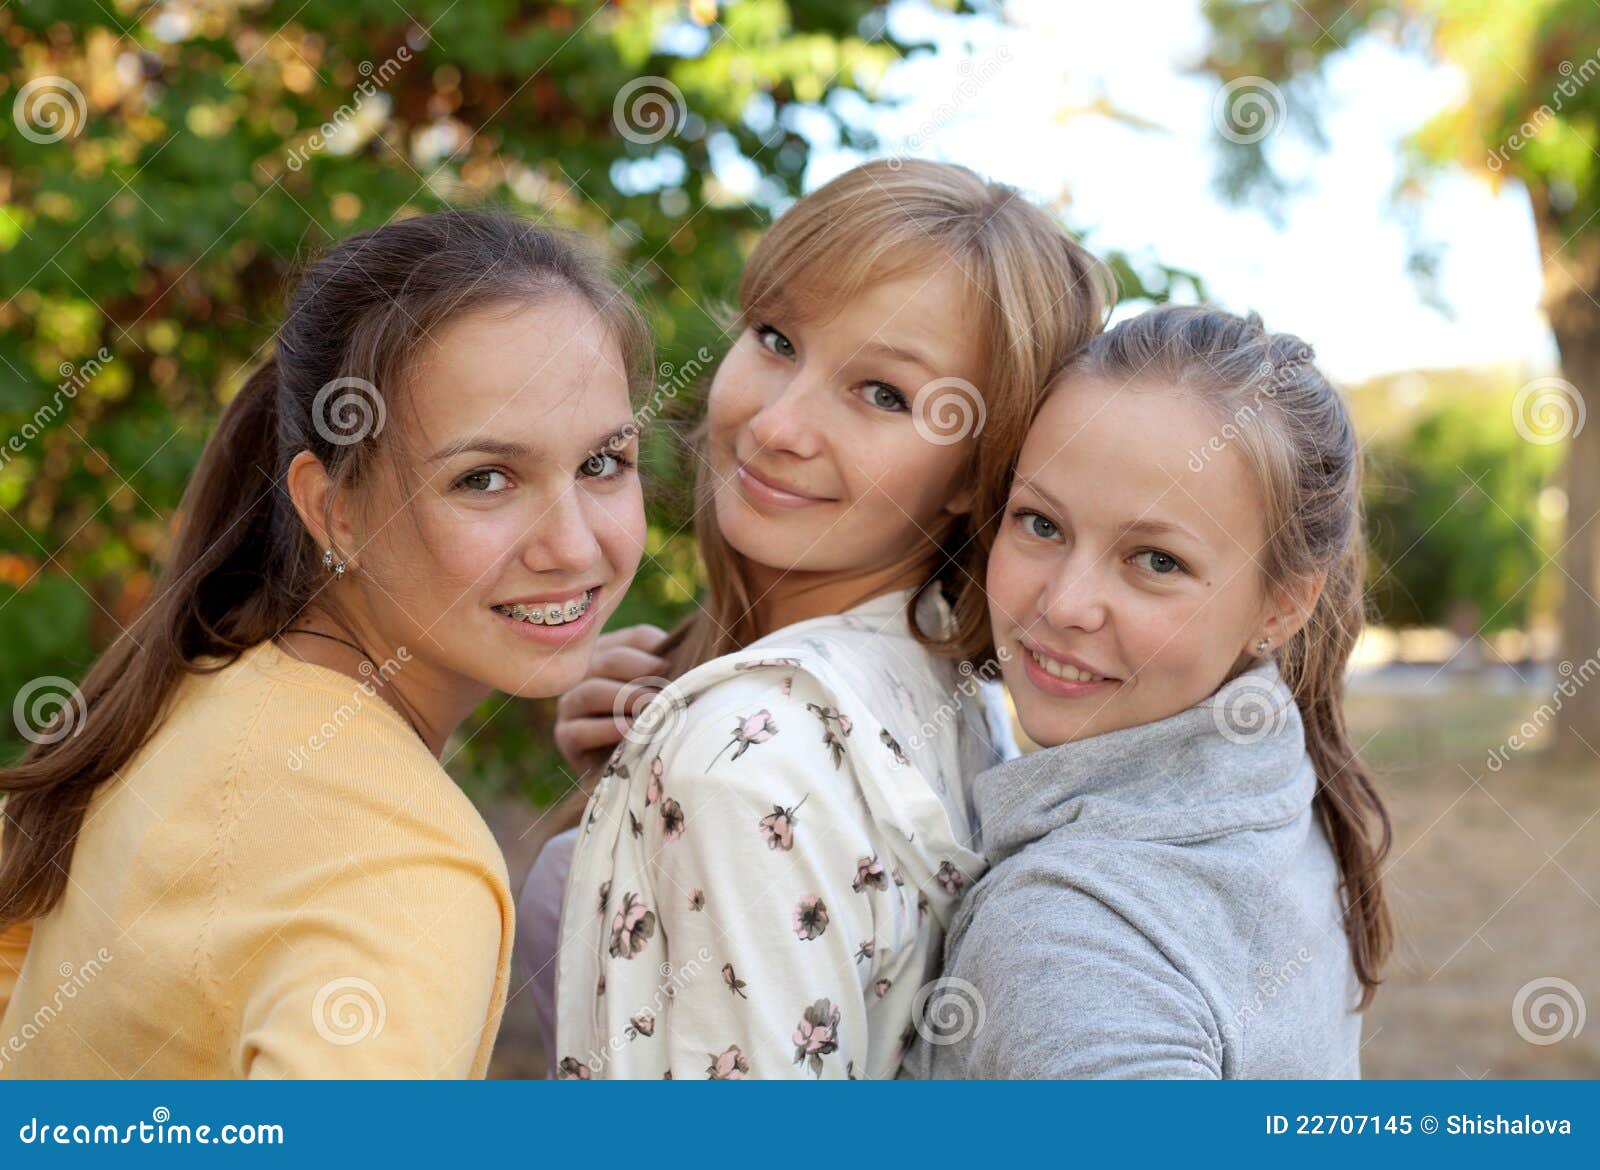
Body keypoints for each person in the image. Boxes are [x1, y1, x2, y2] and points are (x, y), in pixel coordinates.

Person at [0, 209, 649, 1078]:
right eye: (485, 478)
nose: (572, 545)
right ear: (334, 509)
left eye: (603, 463)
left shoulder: (192, 689)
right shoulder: (404, 874)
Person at [527, 159, 1113, 1079]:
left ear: (977, 473)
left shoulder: (743, 757)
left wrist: (698, 764)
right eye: (776, 338)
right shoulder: (948, 699)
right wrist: (628, 808)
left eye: (883, 394)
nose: (776, 426)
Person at [912, 305, 1391, 1079]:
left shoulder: (1066, 942)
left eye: (1158, 561)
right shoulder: (1274, 787)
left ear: (1283, 606)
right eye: (1040, 523)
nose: (1066, 604)